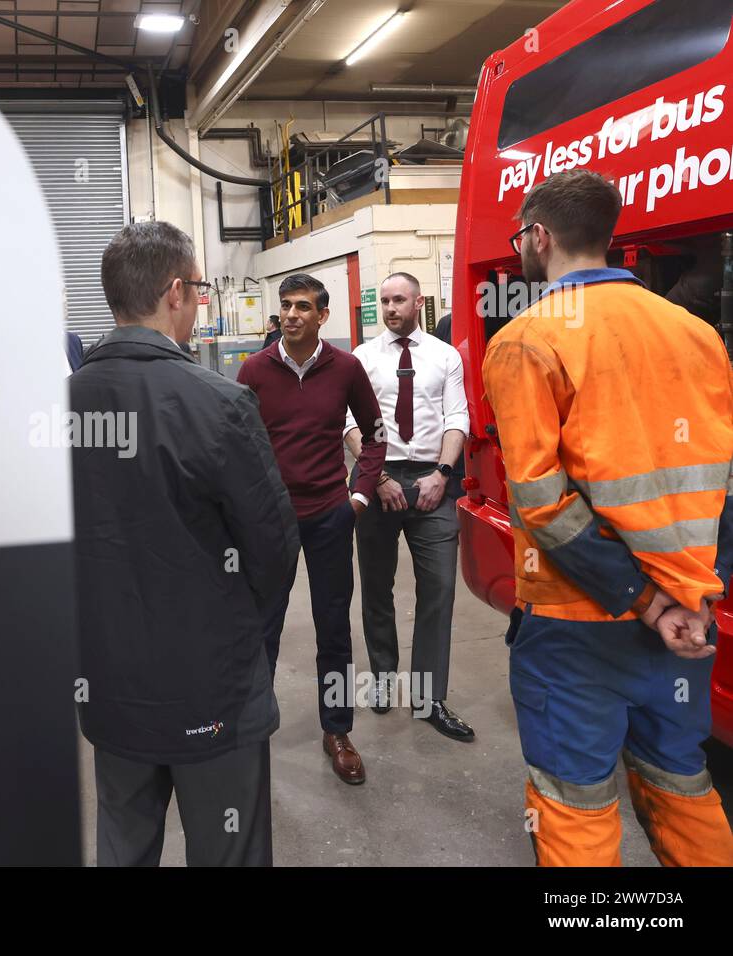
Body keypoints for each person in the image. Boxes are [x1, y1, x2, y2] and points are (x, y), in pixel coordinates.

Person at [483, 169, 733, 866]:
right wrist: (693, 593)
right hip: (684, 618)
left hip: (576, 626)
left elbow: (540, 502)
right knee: (682, 781)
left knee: (575, 803)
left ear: (538, 237)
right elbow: (722, 480)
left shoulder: (526, 340)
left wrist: (645, 601)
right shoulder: (694, 332)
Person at [70, 221, 299, 866]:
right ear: (176, 292)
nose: (199, 302)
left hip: (109, 687)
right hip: (212, 688)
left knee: (123, 841)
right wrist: (239, 637)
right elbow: (273, 548)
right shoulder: (220, 402)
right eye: (198, 289)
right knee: (228, 849)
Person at [237, 274, 386, 785]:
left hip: (329, 515)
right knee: (262, 628)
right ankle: (250, 731)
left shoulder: (345, 368)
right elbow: (235, 442)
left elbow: (375, 435)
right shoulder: (254, 370)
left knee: (333, 629)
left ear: (324, 316)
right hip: (272, 521)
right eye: (285, 306)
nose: (292, 314)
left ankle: (337, 730)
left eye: (303, 306)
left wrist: (360, 494)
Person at [344, 272, 474, 741]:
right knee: (377, 586)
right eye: (384, 300)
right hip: (377, 480)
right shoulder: (361, 357)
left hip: (433, 480)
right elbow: (349, 423)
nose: (391, 308)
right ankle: (382, 679)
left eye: (399, 299)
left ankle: (429, 697)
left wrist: (442, 474)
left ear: (419, 302)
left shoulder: (445, 357)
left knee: (438, 589)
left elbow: (457, 416)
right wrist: (377, 478)